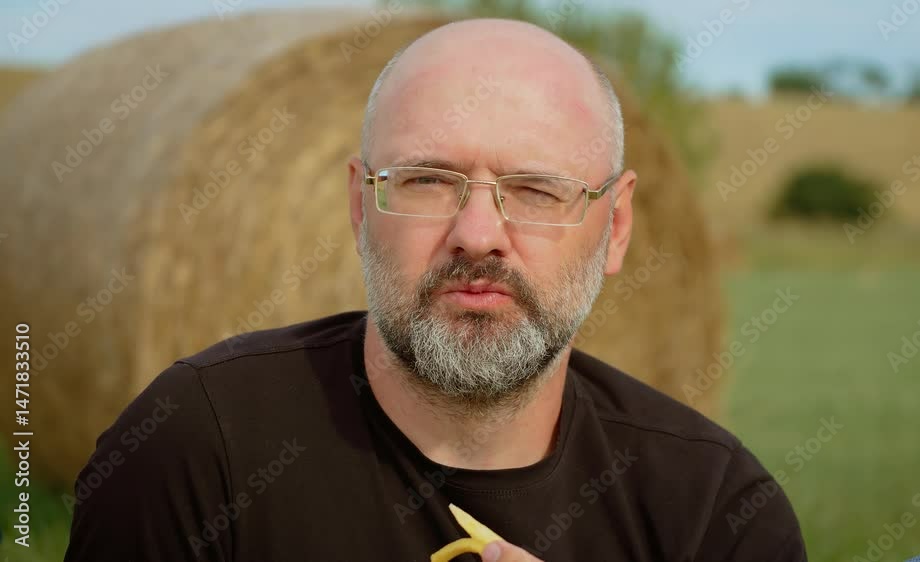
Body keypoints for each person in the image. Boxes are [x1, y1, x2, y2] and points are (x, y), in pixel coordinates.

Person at [64, 17, 806, 562]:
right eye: (426, 181)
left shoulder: (714, 514)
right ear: (359, 206)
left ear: (615, 227)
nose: (477, 234)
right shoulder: (193, 450)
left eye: (537, 190)